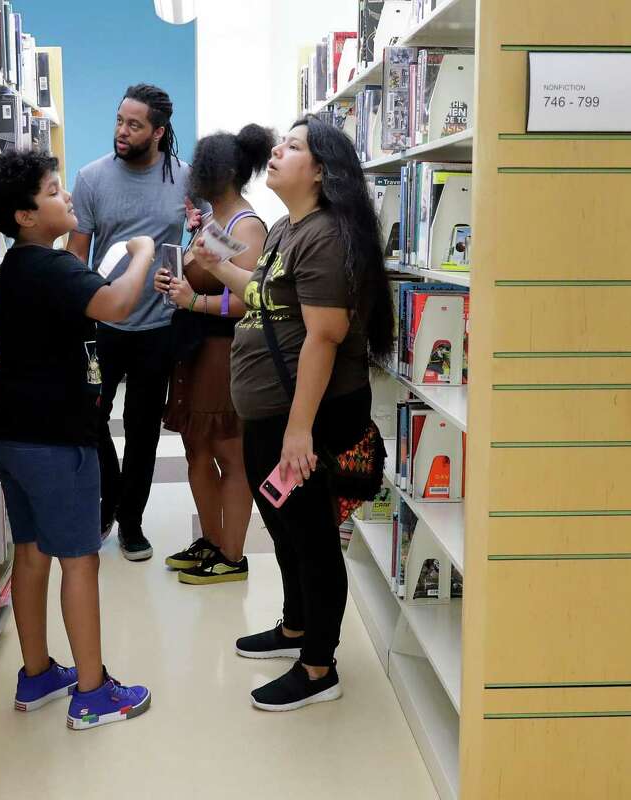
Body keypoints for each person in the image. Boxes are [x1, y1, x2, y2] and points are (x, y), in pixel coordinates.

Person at [192, 117, 393, 711]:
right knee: (283, 529)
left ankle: (317, 669)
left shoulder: (326, 235)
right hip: (273, 416)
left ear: (322, 171)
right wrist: (217, 263)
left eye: (294, 146)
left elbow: (325, 334)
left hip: (306, 417)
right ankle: (296, 626)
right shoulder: (287, 227)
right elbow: (263, 292)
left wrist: (299, 430)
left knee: (311, 538)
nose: (276, 152)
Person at [0, 149, 155, 730]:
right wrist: (142, 252)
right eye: (54, 191)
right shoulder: (56, 269)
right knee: (80, 561)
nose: (67, 197)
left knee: (30, 552)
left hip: (11, 433)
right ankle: (94, 691)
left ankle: (36, 673)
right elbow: (119, 304)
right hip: (58, 436)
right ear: (26, 215)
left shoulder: (10, 271)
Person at [67, 83, 206, 562]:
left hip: (159, 328)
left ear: (159, 132)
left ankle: (131, 523)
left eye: (134, 125)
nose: (122, 132)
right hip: (102, 330)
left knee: (144, 429)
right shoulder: (90, 178)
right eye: (119, 120)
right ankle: (111, 501)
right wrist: (75, 318)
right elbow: (76, 254)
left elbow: (213, 247)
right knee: (90, 417)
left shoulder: (188, 181)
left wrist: (197, 235)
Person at [153, 124, 274, 586]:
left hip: (225, 354)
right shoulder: (214, 221)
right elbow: (207, 276)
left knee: (229, 454)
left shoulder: (245, 225)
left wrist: (194, 301)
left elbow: (250, 299)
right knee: (197, 450)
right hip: (195, 351)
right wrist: (177, 283)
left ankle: (233, 554)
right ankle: (212, 540)